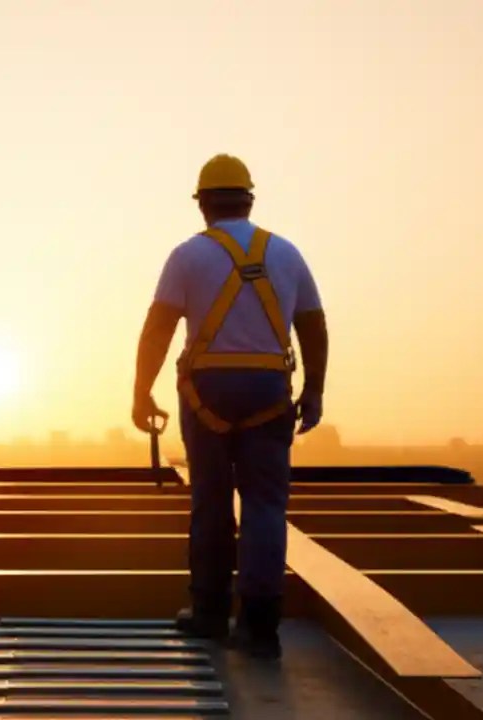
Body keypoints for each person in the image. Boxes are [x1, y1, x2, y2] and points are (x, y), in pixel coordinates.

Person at [131, 153, 328, 660]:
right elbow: (312, 326)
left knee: (212, 503)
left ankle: (210, 614)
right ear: (249, 199)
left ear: (203, 205)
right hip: (268, 389)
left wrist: (140, 390)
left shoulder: (188, 256)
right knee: (265, 505)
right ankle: (261, 627)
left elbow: (158, 328)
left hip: (207, 392)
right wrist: (314, 390)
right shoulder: (286, 253)